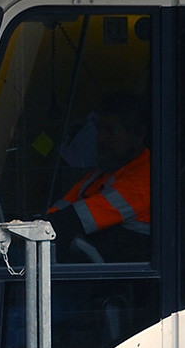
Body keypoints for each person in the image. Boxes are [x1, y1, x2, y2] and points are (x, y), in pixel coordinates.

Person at [45, 93, 151, 261]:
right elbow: (58, 213)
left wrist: (29, 231)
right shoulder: (104, 172)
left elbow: (77, 220)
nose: (101, 138)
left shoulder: (147, 177)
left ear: (139, 135)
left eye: (110, 130)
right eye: (99, 129)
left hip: (132, 279)